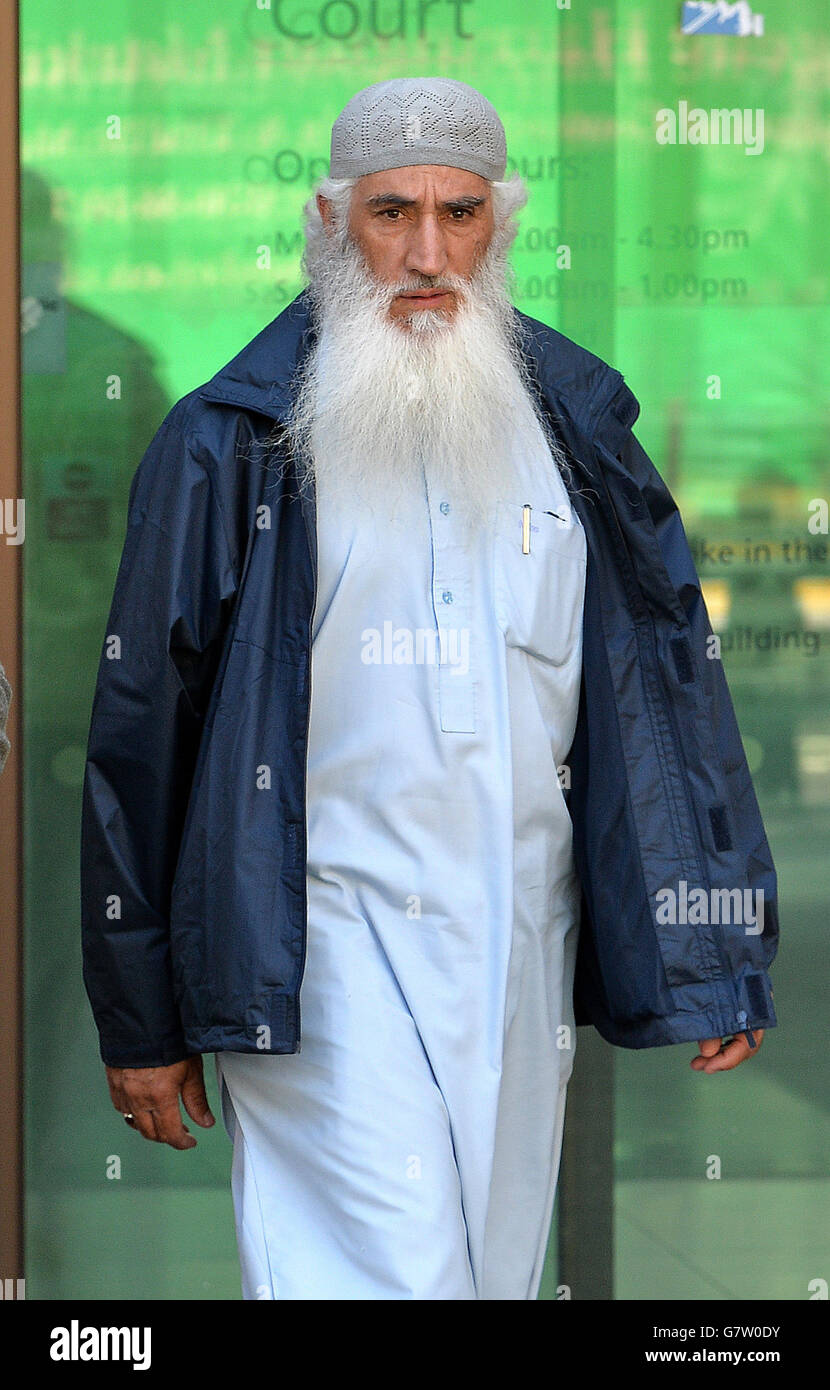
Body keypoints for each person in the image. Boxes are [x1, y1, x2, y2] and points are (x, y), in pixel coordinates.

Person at [80, 76, 779, 1301]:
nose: (423, 253)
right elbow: (143, 734)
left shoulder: (577, 425)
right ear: (328, 219)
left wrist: (714, 944)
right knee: (381, 1279)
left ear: (498, 224)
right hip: (313, 950)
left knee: (491, 1277)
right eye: (389, 212)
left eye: (458, 215)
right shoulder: (229, 442)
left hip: (519, 936)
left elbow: (668, 695)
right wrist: (140, 1016)